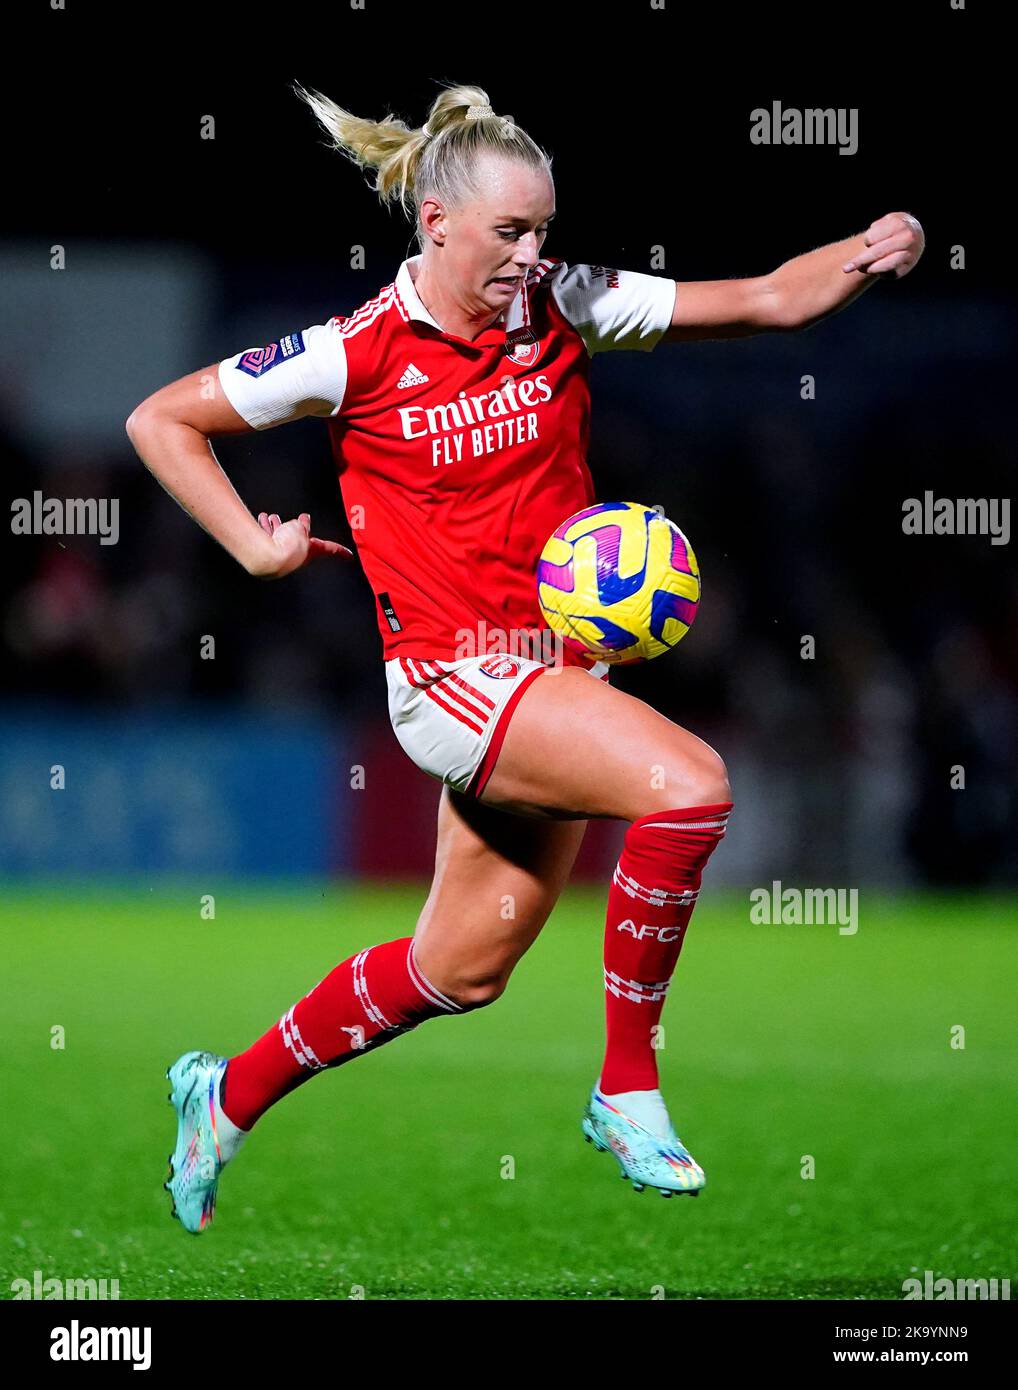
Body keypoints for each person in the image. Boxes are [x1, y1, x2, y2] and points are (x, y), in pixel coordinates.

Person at [125, 81, 925, 1233]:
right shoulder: (354, 352)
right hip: (452, 682)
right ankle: (627, 1085)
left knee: (460, 969)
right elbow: (163, 419)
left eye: (542, 228)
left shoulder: (563, 302)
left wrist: (864, 247)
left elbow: (762, 300)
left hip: (555, 676)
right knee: (690, 788)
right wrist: (250, 545)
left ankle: (223, 1097)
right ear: (436, 223)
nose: (532, 253)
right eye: (510, 232)